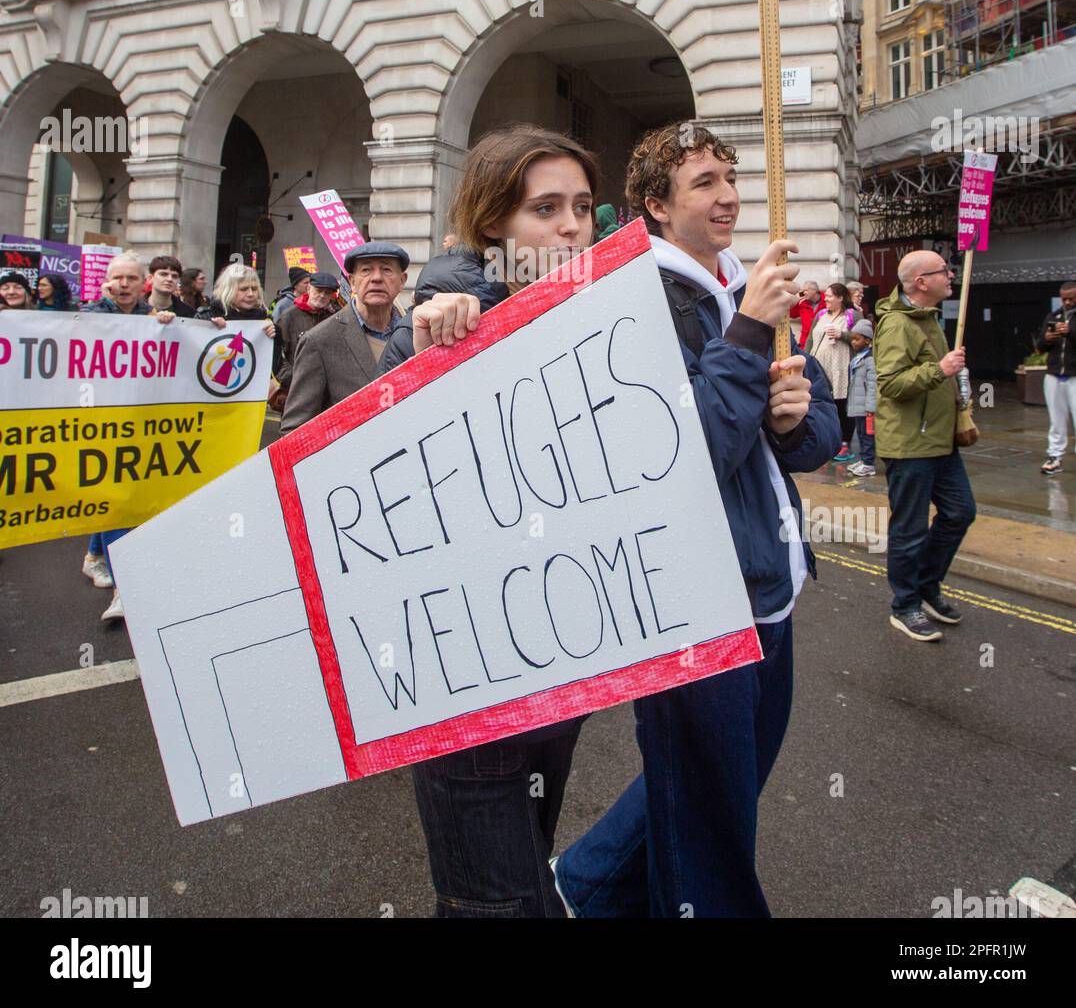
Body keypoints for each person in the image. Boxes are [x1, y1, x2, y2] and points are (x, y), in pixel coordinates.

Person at [550, 121, 840, 919]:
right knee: (713, 824)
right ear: (655, 205)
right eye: (703, 183)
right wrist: (746, 331)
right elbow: (678, 458)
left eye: (729, 178)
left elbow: (819, 440)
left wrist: (795, 419)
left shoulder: (751, 285)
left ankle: (586, 883)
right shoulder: (641, 303)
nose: (728, 196)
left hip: (770, 590)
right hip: (693, 602)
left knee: (720, 781)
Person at [377, 124, 600, 918]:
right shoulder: (440, 321)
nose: (573, 225)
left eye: (582, 205)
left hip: (559, 662)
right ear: (493, 224)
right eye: (546, 208)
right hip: (468, 680)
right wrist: (438, 332)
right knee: (500, 903)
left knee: (516, 874)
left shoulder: (594, 318)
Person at [874, 250, 976, 642]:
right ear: (921, 282)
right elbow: (892, 384)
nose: (950, 275)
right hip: (910, 444)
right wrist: (941, 369)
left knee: (960, 512)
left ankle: (928, 586)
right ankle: (905, 605)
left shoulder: (929, 318)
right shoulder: (898, 325)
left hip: (940, 441)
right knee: (910, 529)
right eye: (942, 271)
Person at [81, 251, 180, 619]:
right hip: (99, 421)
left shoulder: (151, 317)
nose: (123, 285)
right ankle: (125, 585)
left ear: (144, 285)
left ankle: (94, 555)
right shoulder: (92, 312)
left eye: (131, 279)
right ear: (107, 281)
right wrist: (105, 300)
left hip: (138, 421)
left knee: (121, 492)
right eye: (117, 278)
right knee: (117, 496)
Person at [279, 244, 409, 434]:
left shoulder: (414, 335)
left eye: (387, 269)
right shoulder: (319, 341)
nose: (376, 278)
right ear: (352, 282)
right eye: (366, 270)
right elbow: (295, 430)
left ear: (402, 281)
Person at [274, 271, 342, 405]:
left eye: (327, 293)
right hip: (298, 392)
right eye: (319, 290)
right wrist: (296, 379)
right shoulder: (289, 317)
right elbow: (278, 358)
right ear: (309, 288)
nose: (322, 295)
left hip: (329, 393)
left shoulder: (337, 317)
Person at [806, 282, 856, 460]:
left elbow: (861, 339)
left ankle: (844, 443)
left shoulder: (852, 315)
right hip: (820, 365)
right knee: (820, 402)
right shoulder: (820, 314)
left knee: (841, 405)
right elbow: (811, 339)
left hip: (840, 367)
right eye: (825, 295)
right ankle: (825, 440)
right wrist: (806, 358)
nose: (825, 299)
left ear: (841, 298)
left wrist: (842, 335)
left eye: (829, 296)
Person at [1037, 280, 1076, 475]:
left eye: (1071, 298)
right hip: (1054, 374)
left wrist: (1070, 333)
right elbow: (1040, 346)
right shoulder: (1054, 316)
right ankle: (1055, 455)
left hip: (1075, 375)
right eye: (1064, 298)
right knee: (1056, 418)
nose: (1067, 302)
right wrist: (1047, 338)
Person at [846, 319, 878, 477]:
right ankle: (863, 459)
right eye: (852, 338)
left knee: (867, 435)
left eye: (857, 339)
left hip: (866, 407)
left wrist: (871, 407)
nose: (853, 342)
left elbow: (873, 385)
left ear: (867, 340)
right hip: (857, 404)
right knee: (860, 434)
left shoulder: (870, 360)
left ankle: (868, 463)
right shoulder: (857, 358)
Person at [789, 280, 822, 344]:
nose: (803, 293)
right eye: (803, 291)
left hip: (820, 340)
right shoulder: (802, 303)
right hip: (805, 341)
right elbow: (792, 315)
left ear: (814, 290)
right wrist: (796, 301)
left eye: (806, 290)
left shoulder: (826, 302)